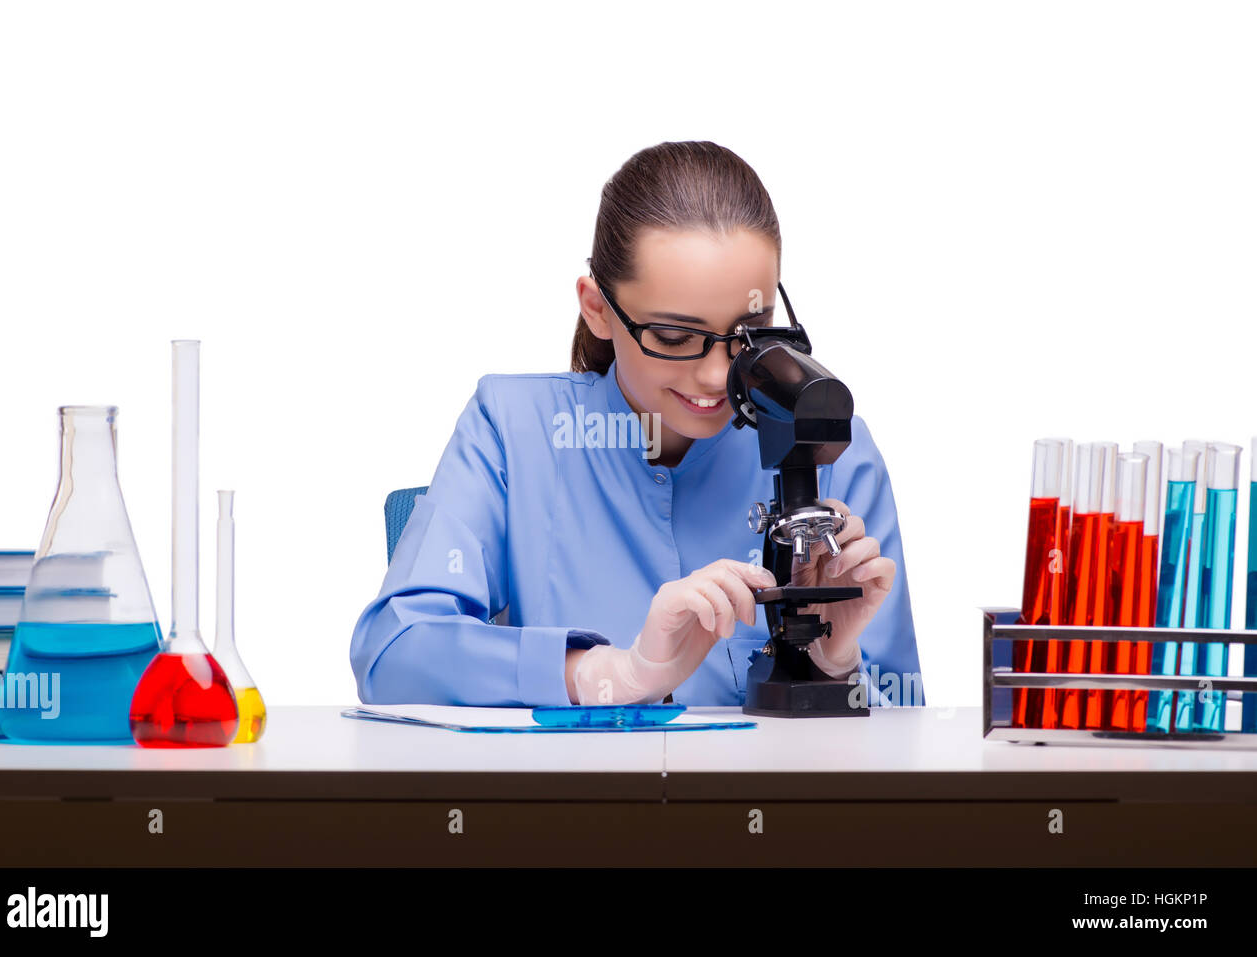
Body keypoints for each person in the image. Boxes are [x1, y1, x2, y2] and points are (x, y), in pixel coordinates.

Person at [350, 140, 922, 708]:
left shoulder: (835, 448)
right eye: (674, 337)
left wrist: (833, 663)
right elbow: (392, 654)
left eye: (750, 332)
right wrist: (608, 674)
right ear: (597, 308)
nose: (717, 375)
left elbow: (910, 741)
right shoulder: (514, 429)